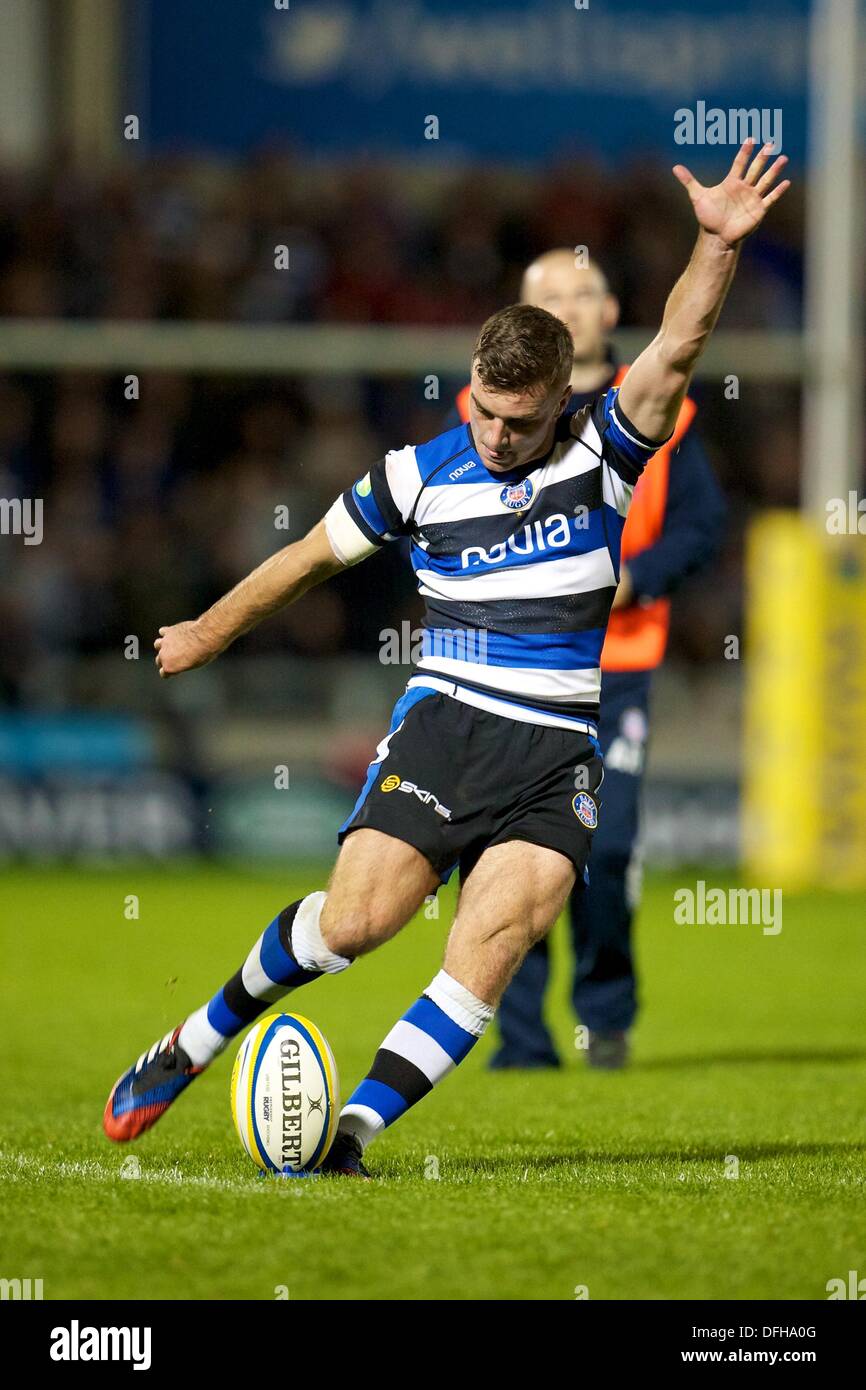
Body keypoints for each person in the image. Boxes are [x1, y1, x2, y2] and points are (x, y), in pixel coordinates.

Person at [103, 142, 788, 1176]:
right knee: (353, 924)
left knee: (489, 948)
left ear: (561, 397)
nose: (496, 434)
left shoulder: (606, 450)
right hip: (447, 728)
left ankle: (352, 1138)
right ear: (468, 379)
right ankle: (193, 1039)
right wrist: (208, 630)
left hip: (556, 751)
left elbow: (679, 343)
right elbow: (303, 558)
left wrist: (713, 243)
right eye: (482, 408)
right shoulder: (416, 475)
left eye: (518, 421)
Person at [446, 250, 726, 1070]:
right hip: (510, 661)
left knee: (605, 846)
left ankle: (605, 1017)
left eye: (581, 293)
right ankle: (522, 1043)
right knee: (505, 852)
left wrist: (635, 579)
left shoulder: (663, 407)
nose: (568, 306)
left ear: (609, 312)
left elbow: (702, 527)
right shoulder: (488, 411)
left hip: (619, 664)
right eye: (549, 297)